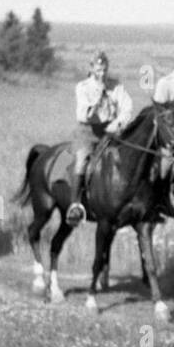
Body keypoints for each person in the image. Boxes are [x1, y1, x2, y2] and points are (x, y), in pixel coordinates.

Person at [67, 52, 134, 225]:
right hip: (88, 132)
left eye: (104, 69)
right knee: (82, 160)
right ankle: (75, 205)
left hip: (111, 132)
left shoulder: (116, 86)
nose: (102, 73)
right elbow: (83, 115)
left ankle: (126, 205)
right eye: (98, 69)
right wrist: (97, 99)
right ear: (91, 68)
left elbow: (127, 107)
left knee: (127, 158)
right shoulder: (83, 87)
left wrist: (118, 123)